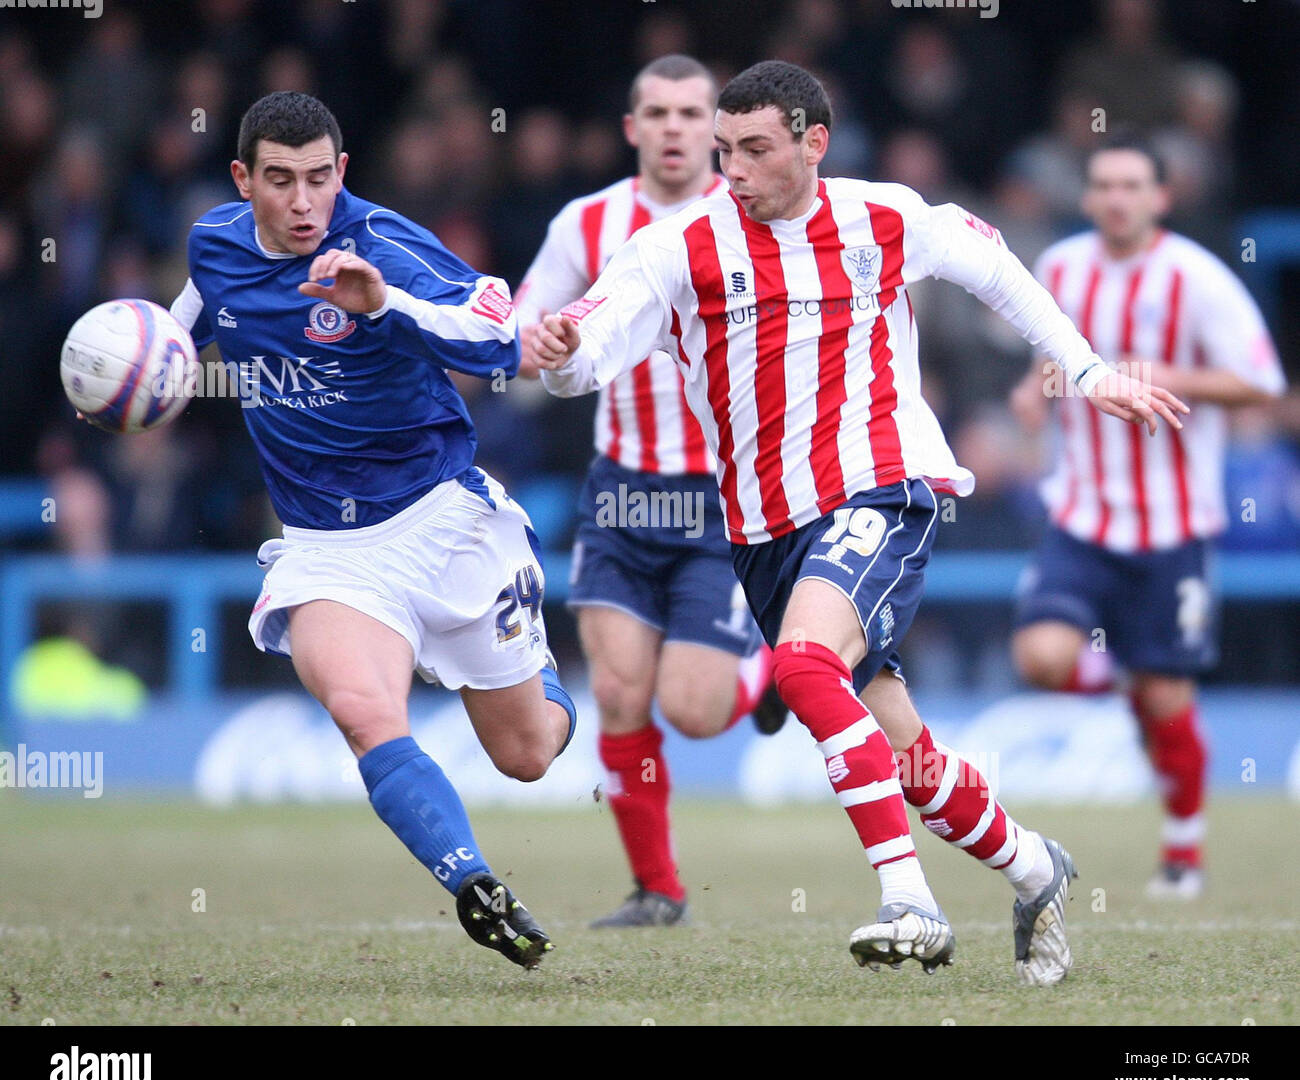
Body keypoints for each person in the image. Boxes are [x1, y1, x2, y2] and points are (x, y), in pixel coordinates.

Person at [533, 61, 1188, 985]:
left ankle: (908, 903)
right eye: (725, 153)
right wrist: (560, 356)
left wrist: (1084, 372)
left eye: (756, 150)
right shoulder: (677, 246)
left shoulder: (883, 216)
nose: (736, 172)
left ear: (813, 144)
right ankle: (1037, 868)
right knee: (911, 760)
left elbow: (999, 273)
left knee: (801, 667)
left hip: (882, 488)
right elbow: (586, 355)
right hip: (763, 533)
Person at [167, 91, 577, 969]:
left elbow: (496, 337)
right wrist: (145, 376)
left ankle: (545, 676)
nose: (304, 201)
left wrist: (384, 304)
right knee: (361, 710)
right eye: (280, 182)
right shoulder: (215, 244)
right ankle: (472, 882)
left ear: (342, 171)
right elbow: (190, 319)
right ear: (245, 182)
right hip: (328, 548)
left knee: (528, 754)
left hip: (443, 520)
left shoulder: (385, 246)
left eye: (320, 178)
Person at [514, 54, 784, 929]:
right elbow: (523, 325)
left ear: (715, 129)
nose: (673, 128)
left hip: (719, 498)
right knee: (622, 695)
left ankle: (774, 671)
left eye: (689, 113)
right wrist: (538, 341)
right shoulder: (586, 223)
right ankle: (659, 890)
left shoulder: (751, 221)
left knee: (694, 712)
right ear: (633, 128)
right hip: (622, 494)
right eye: (656, 112)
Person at [1009, 132, 1285, 900]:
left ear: (1161, 197)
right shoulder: (1061, 267)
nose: (1116, 198)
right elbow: (1046, 357)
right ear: (1088, 194)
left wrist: (1172, 375)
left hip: (1173, 529)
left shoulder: (1198, 279)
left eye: (1132, 185)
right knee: (1041, 657)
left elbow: (1261, 384)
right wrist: (1037, 393)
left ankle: (1184, 851)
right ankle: (1119, 676)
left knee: (1169, 701)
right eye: (1103, 184)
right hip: (1083, 517)